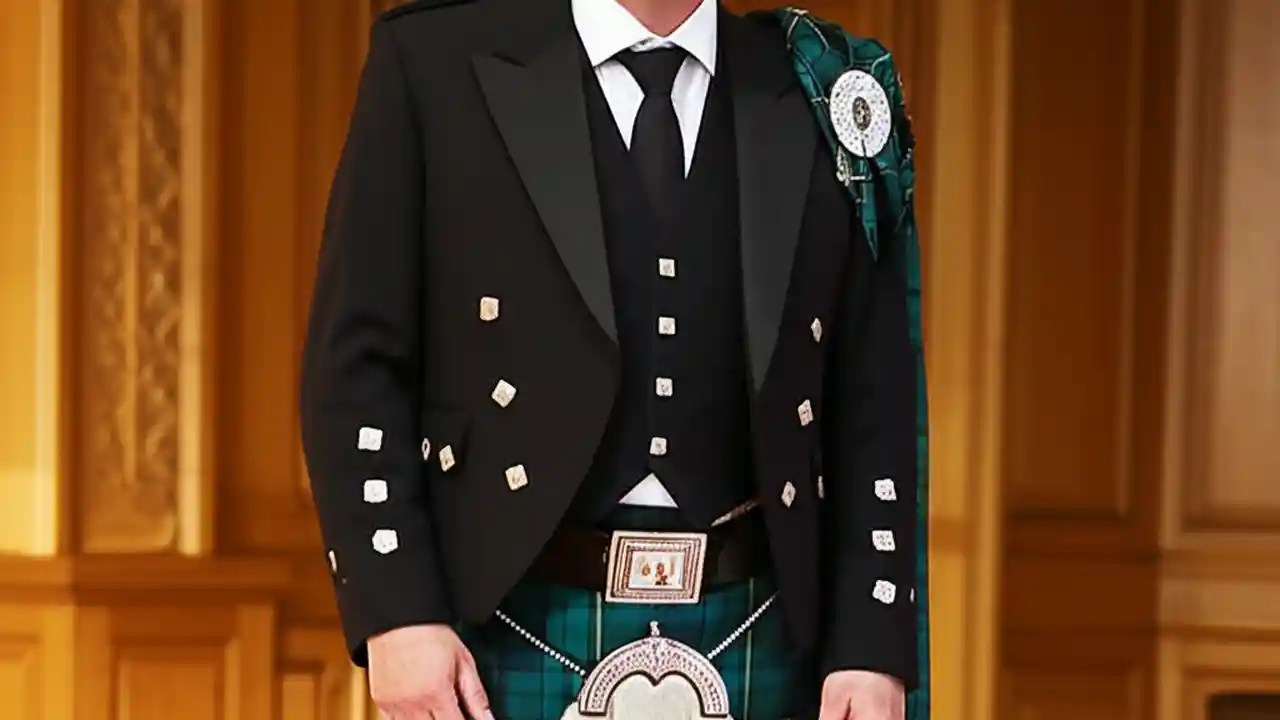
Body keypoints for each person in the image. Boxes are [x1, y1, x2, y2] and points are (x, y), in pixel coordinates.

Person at [300, 0, 923, 717]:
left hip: (760, 626)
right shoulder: (435, 65)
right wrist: (395, 610)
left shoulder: (814, 85)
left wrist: (870, 644)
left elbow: (871, 396)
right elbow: (356, 368)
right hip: (506, 629)